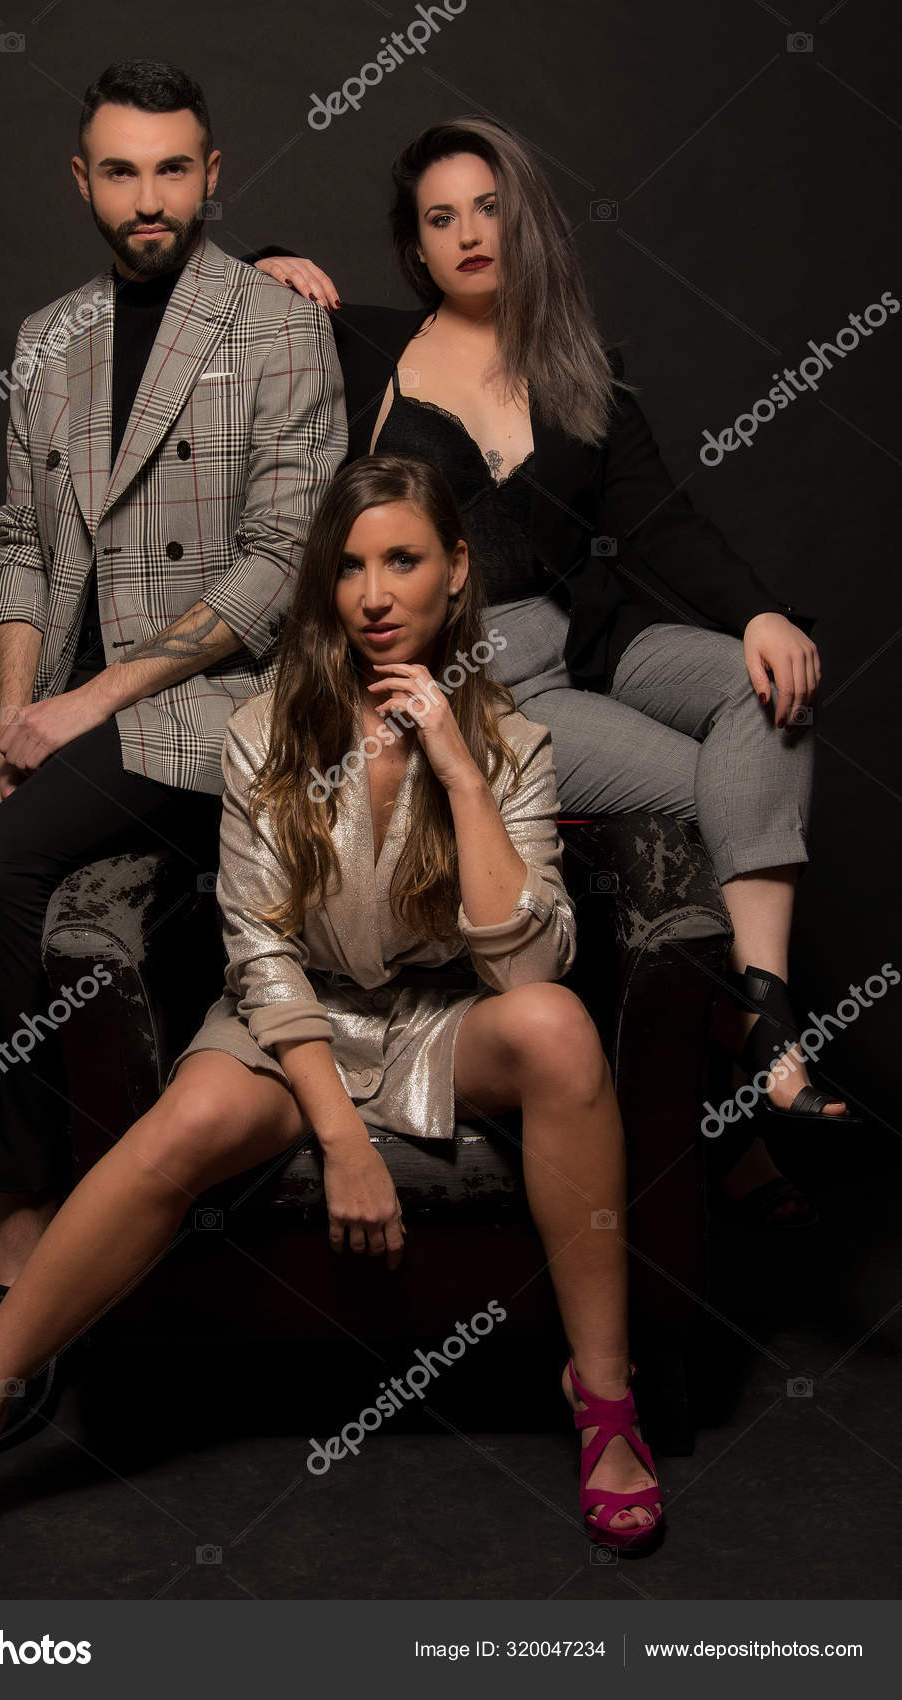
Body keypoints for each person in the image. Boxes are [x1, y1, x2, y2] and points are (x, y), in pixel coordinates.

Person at [0, 453, 664, 1587]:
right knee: (187, 1120)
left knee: (556, 1026)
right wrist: (343, 1140)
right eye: (347, 567)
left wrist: (458, 767)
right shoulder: (263, 731)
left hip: (442, 1018)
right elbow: (259, 951)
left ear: (456, 570)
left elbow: (528, 964)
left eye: (402, 560)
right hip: (293, 1017)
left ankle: (603, 1396)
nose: (374, 595)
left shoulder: (514, 746)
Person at [0, 59, 346, 1412]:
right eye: (120, 171)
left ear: (211, 176)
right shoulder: (49, 335)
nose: (148, 198)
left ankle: (27, 1225)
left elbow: (282, 563)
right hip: (58, 699)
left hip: (199, 705)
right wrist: (17, 705)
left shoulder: (277, 325)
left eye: (172, 169)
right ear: (81, 181)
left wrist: (92, 701)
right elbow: (24, 549)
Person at [246, 114, 860, 1228]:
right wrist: (266, 262)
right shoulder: (364, 349)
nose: (469, 233)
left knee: (765, 699)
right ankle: (740, 1074)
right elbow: (227, 312)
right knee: (714, 792)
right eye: (441, 218)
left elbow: (664, 524)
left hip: (587, 644)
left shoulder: (585, 373)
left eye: (489, 208)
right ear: (415, 246)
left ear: (524, 220)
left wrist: (762, 612)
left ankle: (761, 1013)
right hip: (484, 688)